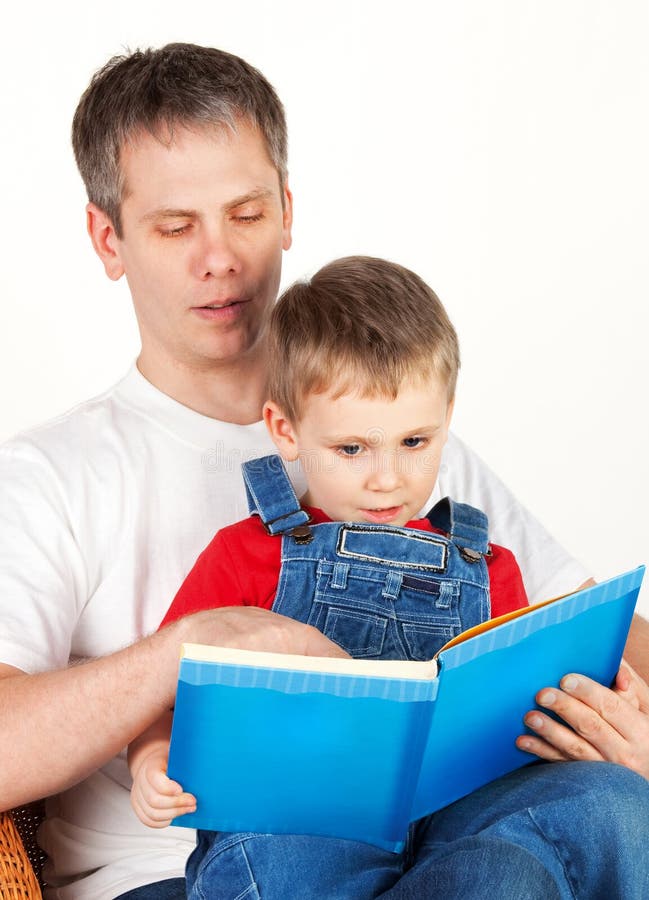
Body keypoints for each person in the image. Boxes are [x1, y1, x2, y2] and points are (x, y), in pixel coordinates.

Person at [0, 43, 647, 900]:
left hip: (446, 855)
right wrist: (181, 653)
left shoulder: (400, 441)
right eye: (175, 226)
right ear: (107, 238)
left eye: (246, 213)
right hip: (200, 871)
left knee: (606, 808)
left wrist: (630, 735)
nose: (221, 259)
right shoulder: (53, 475)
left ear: (287, 211)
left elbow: (605, 638)